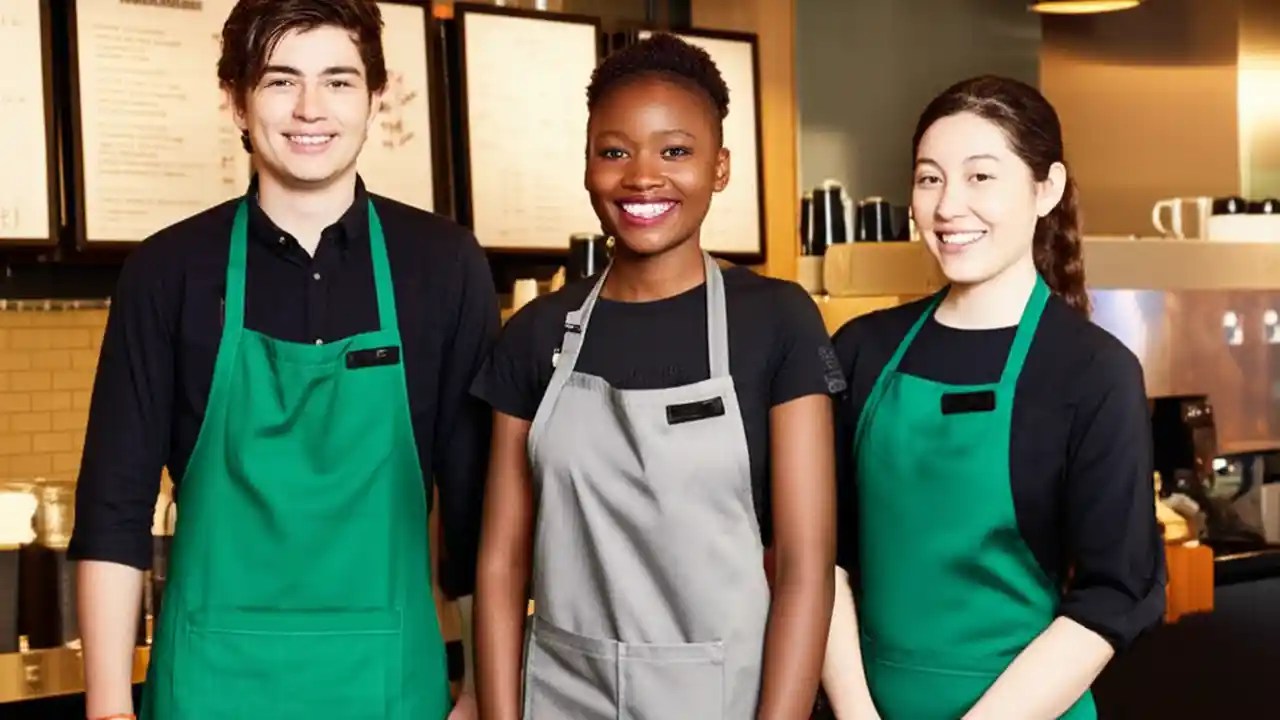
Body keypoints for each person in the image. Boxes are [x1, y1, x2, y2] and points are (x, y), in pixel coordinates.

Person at [67, 1, 497, 718]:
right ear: (236, 101)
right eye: (278, 81)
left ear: (375, 99)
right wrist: (108, 706)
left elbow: (476, 508)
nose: (309, 109)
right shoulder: (167, 271)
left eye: (337, 81)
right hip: (209, 684)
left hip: (387, 681)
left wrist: (485, 689)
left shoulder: (444, 266)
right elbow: (113, 508)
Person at [470, 34, 840, 720]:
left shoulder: (778, 322)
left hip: (728, 696)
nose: (643, 177)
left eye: (676, 151)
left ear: (720, 166)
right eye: (615, 152)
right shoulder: (536, 334)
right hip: (561, 694)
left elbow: (804, 565)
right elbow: (499, 566)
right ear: (587, 166)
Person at [821, 75, 1166, 720]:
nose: (949, 206)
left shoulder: (1093, 373)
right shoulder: (861, 350)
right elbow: (820, 557)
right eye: (930, 179)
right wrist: (855, 711)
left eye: (981, 177)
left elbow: (1113, 594)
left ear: (1048, 189)